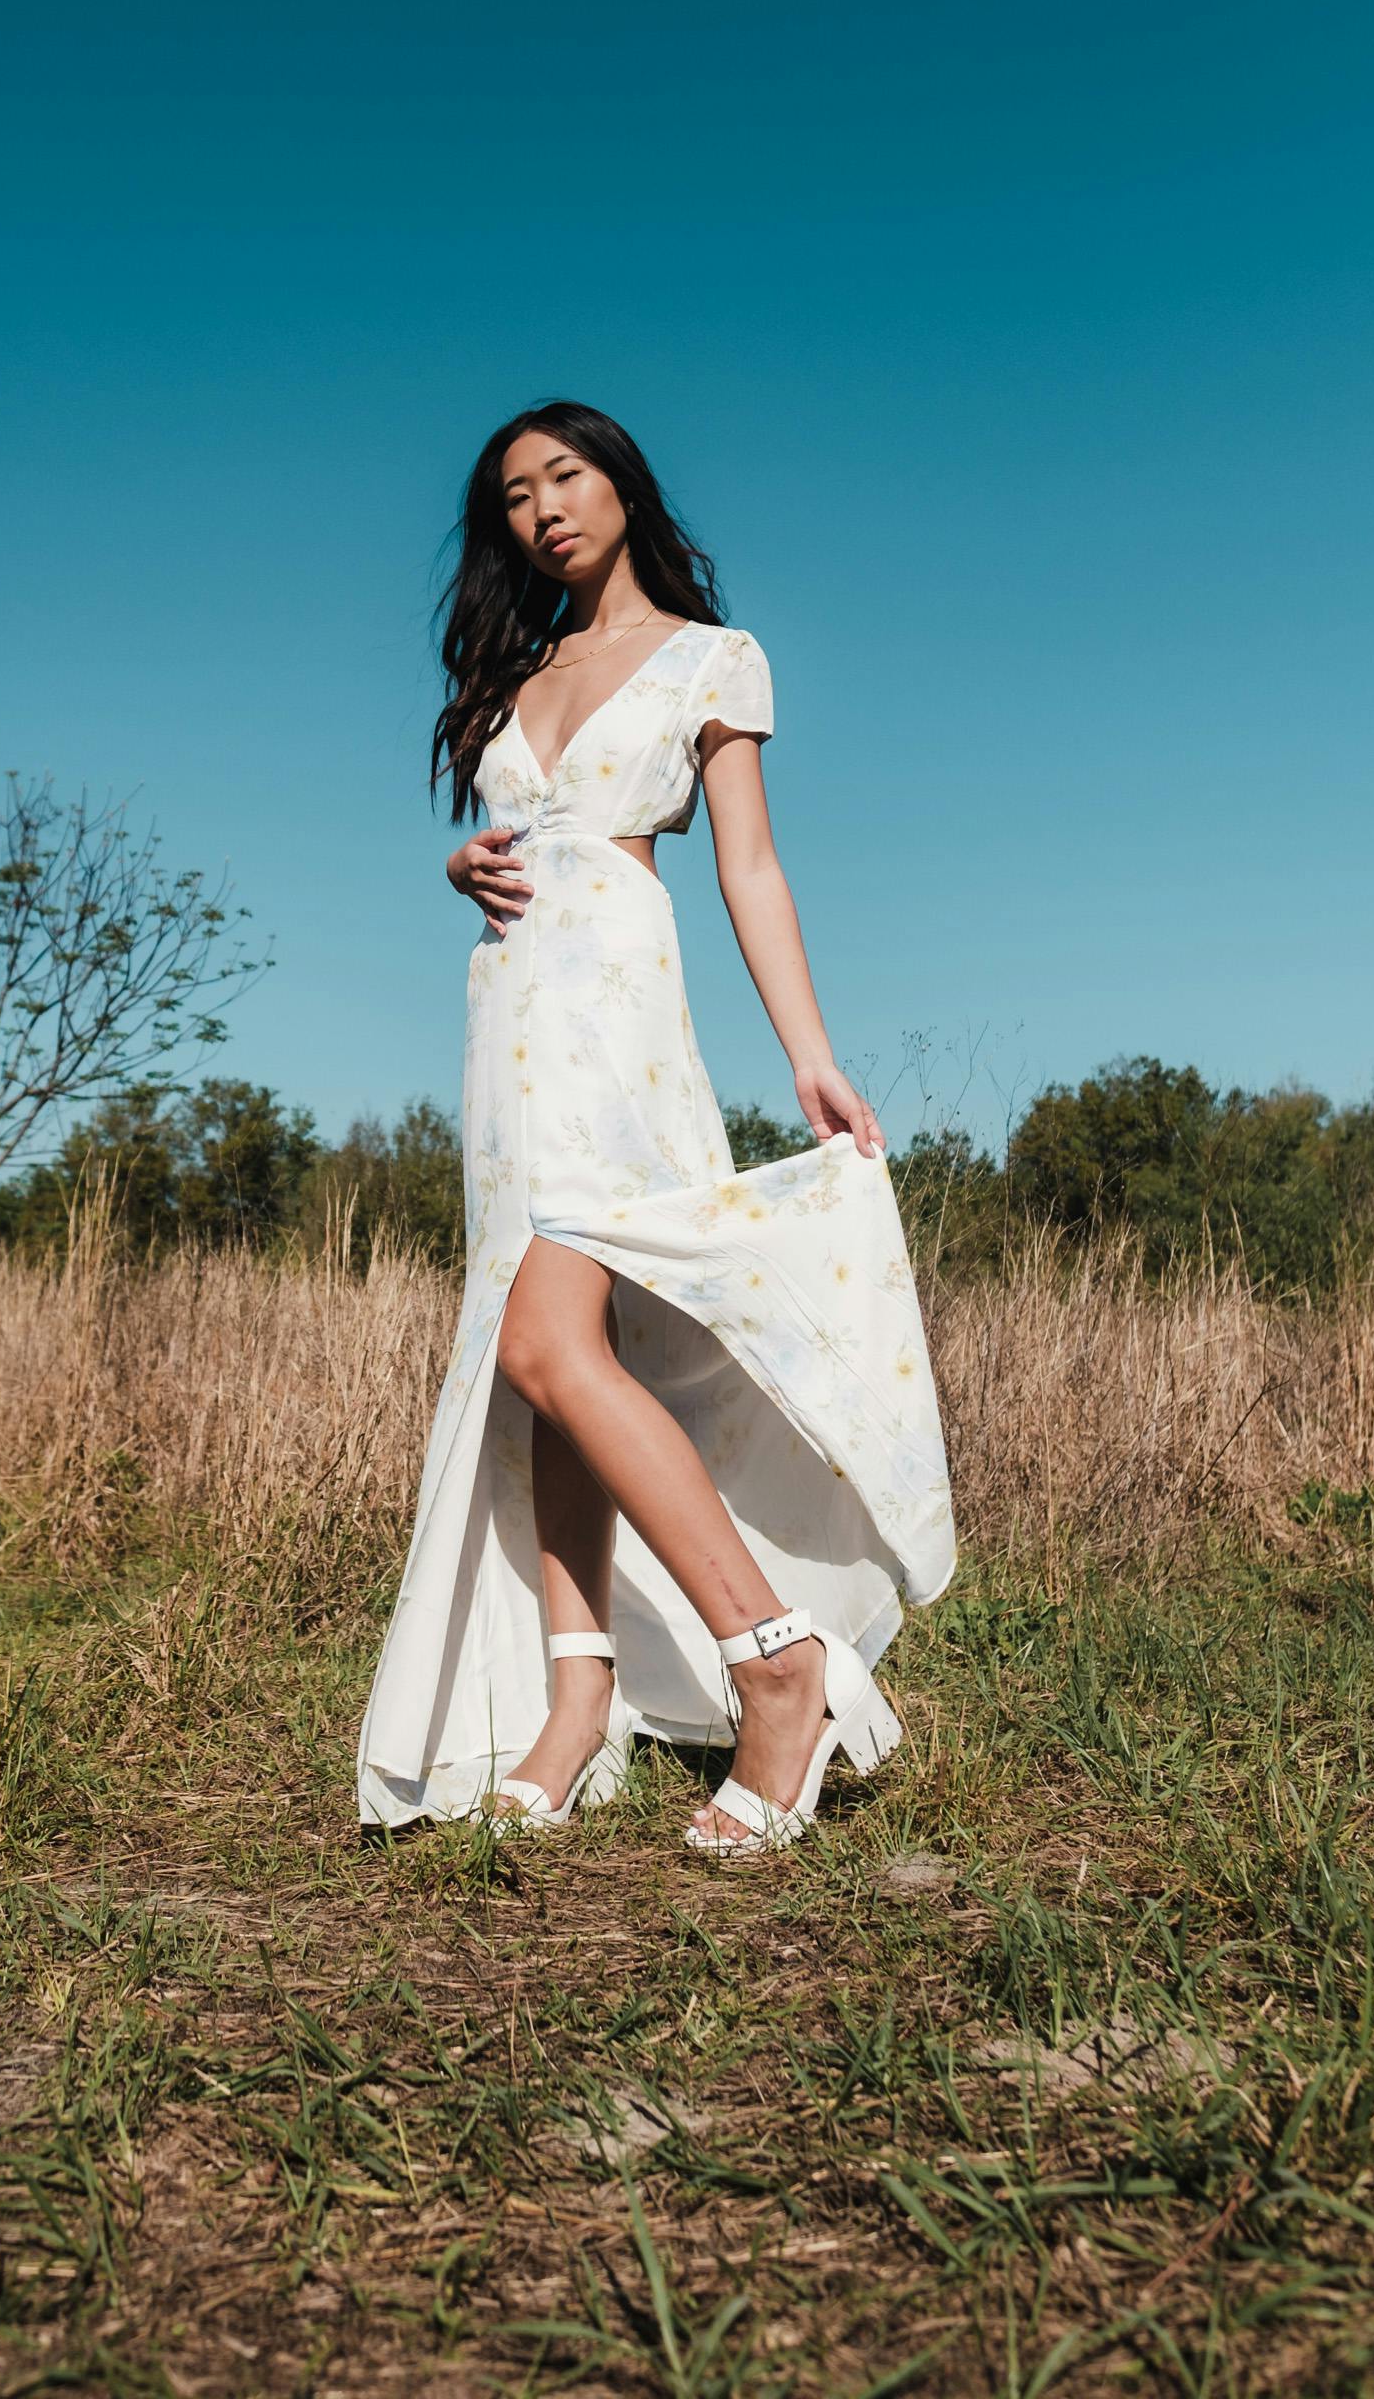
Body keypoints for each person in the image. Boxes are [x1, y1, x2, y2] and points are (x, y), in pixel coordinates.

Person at [356, 400, 954, 1853]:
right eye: (513, 495)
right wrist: (463, 865)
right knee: (544, 1367)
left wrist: (808, 1056)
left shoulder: (710, 657)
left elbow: (749, 867)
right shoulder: (517, 670)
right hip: (507, 1022)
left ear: (623, 482)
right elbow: (521, 837)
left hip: (619, 1012)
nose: (543, 508)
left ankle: (777, 1665)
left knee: (551, 1342)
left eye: (566, 475)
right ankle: (577, 1700)